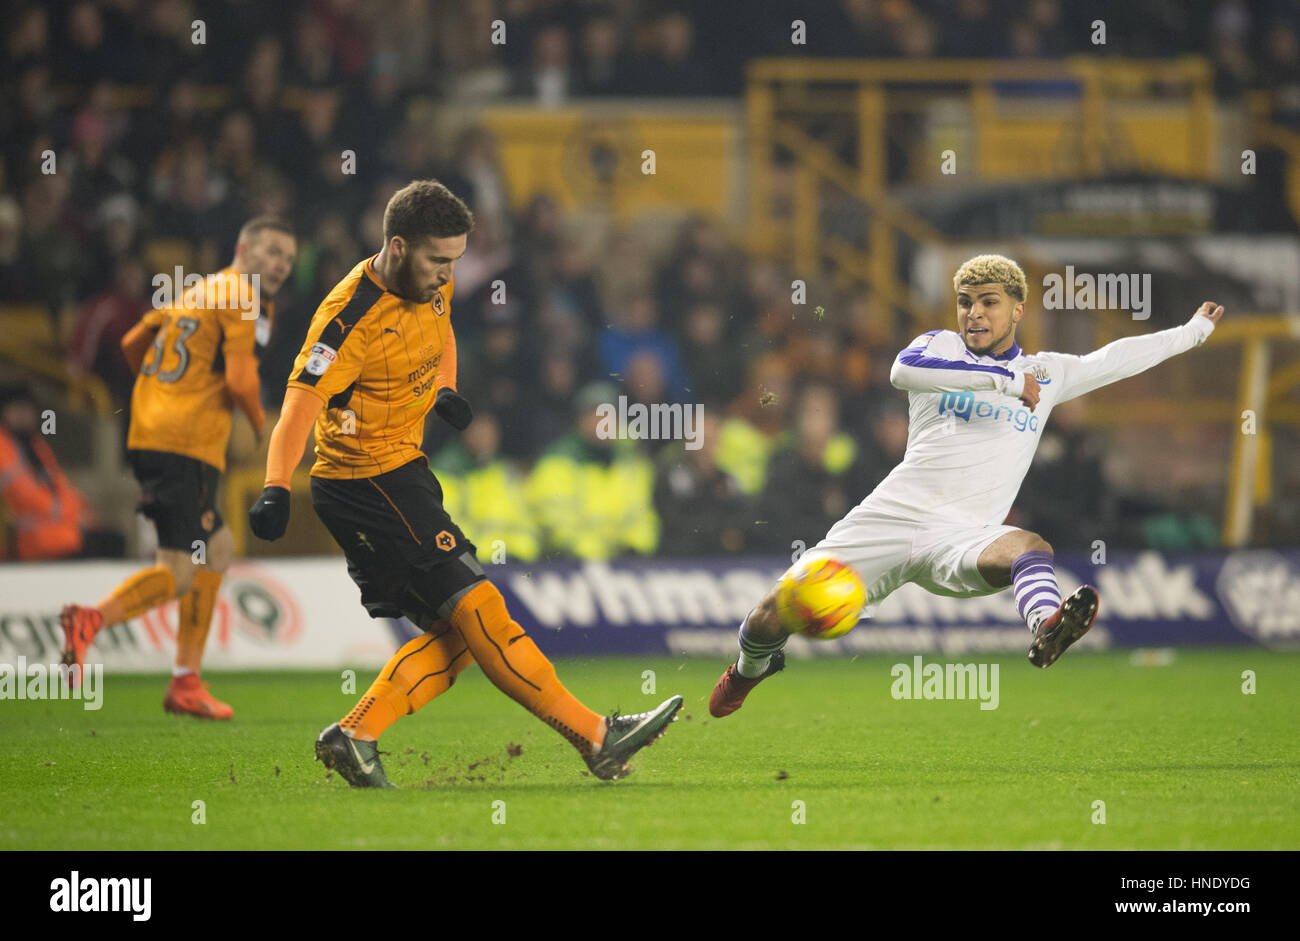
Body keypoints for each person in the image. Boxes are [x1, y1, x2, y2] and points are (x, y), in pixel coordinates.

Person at [247, 180, 680, 788]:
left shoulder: (435, 280)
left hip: (404, 473)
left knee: (458, 636)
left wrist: (444, 387)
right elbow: (297, 403)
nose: (448, 274)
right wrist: (274, 485)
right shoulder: (347, 319)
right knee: (482, 608)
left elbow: (442, 331)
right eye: (438, 261)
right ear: (398, 248)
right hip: (365, 482)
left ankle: (356, 736)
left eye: (454, 260)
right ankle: (596, 737)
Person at [710, 254, 1225, 716]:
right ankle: (748, 670)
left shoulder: (1046, 373)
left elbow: (1115, 358)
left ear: (1018, 310)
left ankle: (1047, 625)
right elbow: (902, 372)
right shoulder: (939, 346)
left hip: (964, 534)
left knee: (1030, 546)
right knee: (766, 617)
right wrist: (1001, 381)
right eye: (965, 302)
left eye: (988, 303)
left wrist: (1192, 333)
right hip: (892, 516)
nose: (974, 313)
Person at [59, 217, 297, 718]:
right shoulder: (242, 295)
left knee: (217, 549)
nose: (281, 264)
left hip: (159, 437)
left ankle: (186, 681)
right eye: (272, 251)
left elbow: (131, 346)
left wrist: (160, 392)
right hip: (184, 444)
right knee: (180, 572)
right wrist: (259, 424)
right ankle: (90, 621)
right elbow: (239, 378)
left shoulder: (196, 292)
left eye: (289, 259)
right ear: (243, 247)